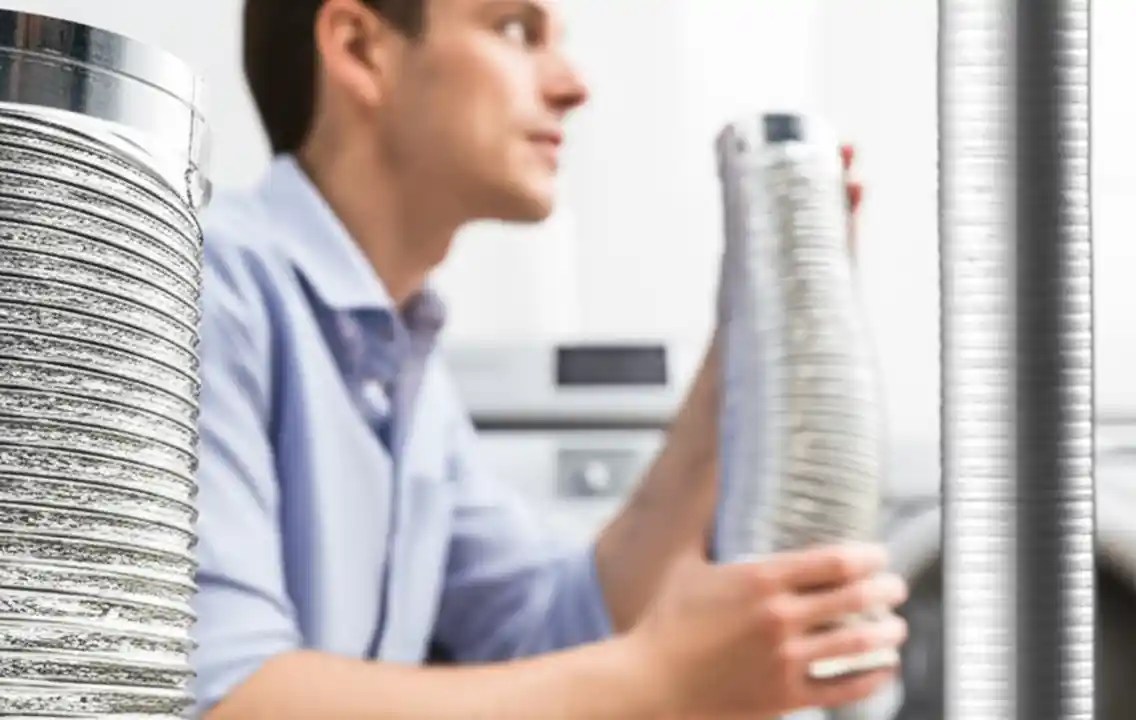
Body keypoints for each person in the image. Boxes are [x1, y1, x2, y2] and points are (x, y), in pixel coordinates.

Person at [191, 0, 908, 717]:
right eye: (515, 31)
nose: (572, 85)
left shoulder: (402, 362)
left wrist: (751, 338)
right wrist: (658, 682)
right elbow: (222, 699)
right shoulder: (200, 287)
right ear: (359, 48)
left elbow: (556, 625)